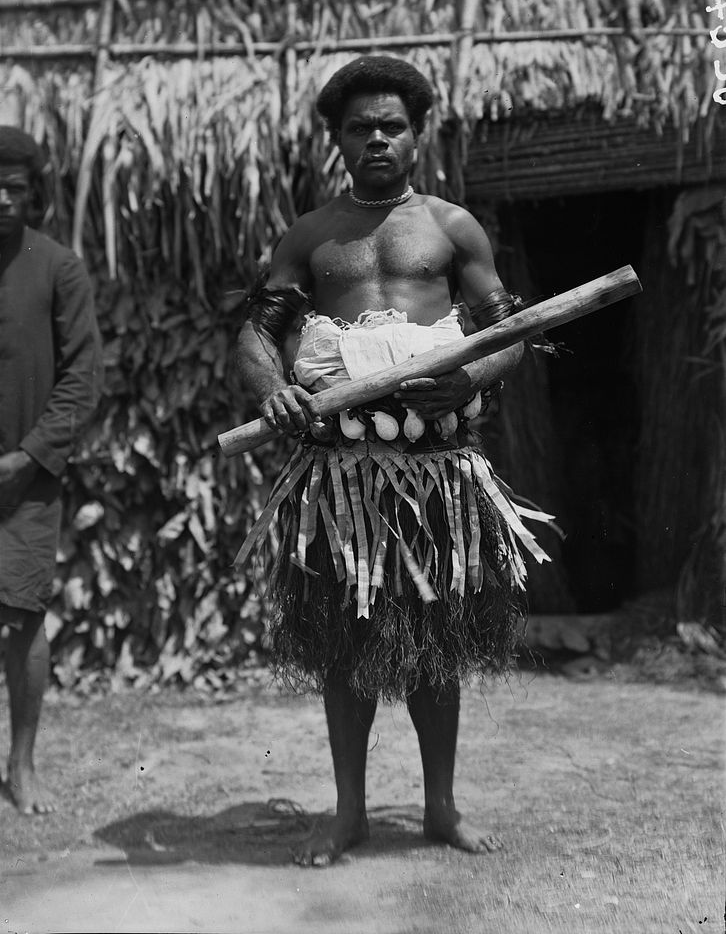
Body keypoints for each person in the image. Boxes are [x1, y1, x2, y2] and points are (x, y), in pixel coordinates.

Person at [234, 56, 549, 866]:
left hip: (436, 471)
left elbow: (507, 331)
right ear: (336, 139)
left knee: (435, 641)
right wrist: (273, 390)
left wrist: (470, 379)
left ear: (416, 134)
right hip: (340, 477)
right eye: (360, 128)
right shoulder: (310, 236)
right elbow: (256, 334)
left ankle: (440, 807)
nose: (377, 139)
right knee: (347, 641)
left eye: (392, 126)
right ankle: (348, 812)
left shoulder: (451, 228)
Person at [0, 126, 103, 814]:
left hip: (23, 481)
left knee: (20, 618)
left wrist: (27, 455)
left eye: (15, 187)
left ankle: (22, 766)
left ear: (35, 192)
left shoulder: (57, 267)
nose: (3, 199)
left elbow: (83, 380)